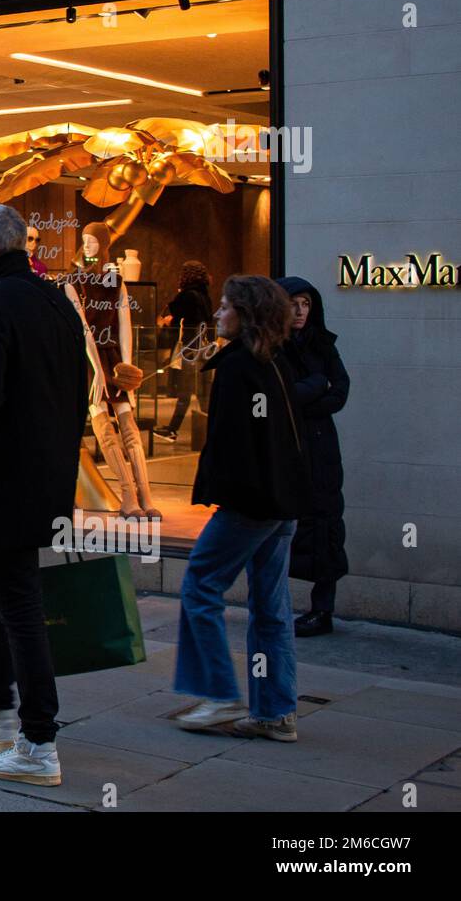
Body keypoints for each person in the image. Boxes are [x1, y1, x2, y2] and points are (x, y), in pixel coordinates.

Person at [0, 203, 88, 786]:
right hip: (46, 472)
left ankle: (36, 740)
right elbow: (80, 388)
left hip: (4, 477)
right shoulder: (55, 300)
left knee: (20, 602)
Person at [172, 275, 310, 742]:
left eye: (226, 306)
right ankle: (276, 711)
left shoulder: (239, 368)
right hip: (281, 502)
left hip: (251, 505)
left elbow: (239, 443)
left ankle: (218, 695)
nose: (216, 313)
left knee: (199, 587)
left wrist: (224, 493)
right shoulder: (275, 362)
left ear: (246, 314)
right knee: (270, 606)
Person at [277, 276, 350, 637]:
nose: (300, 311)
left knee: (325, 525)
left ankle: (323, 610)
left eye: (306, 304)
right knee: (283, 527)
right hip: (287, 447)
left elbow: (340, 390)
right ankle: (276, 604)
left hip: (321, 448)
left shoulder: (323, 344)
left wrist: (308, 397)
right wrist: (314, 387)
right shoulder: (272, 347)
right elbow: (279, 395)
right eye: (293, 304)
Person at [154, 260, 214, 443]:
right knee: (203, 394)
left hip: (190, 348)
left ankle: (172, 430)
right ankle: (210, 430)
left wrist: (166, 321)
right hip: (204, 349)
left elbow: (169, 316)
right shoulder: (205, 296)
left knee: (184, 392)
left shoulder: (187, 296)